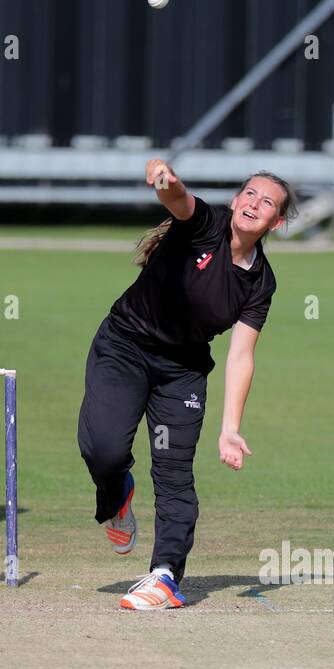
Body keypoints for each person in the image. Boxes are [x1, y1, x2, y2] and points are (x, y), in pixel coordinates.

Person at [78, 161, 295, 610]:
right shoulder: (207, 225)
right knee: (104, 451)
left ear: (277, 222)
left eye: (267, 202)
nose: (254, 203)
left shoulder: (260, 282)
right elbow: (178, 200)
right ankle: (116, 496)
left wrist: (230, 427)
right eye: (249, 194)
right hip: (125, 345)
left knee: (174, 473)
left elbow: (241, 354)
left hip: (182, 371)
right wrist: (167, 179)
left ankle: (165, 576)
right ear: (235, 201)